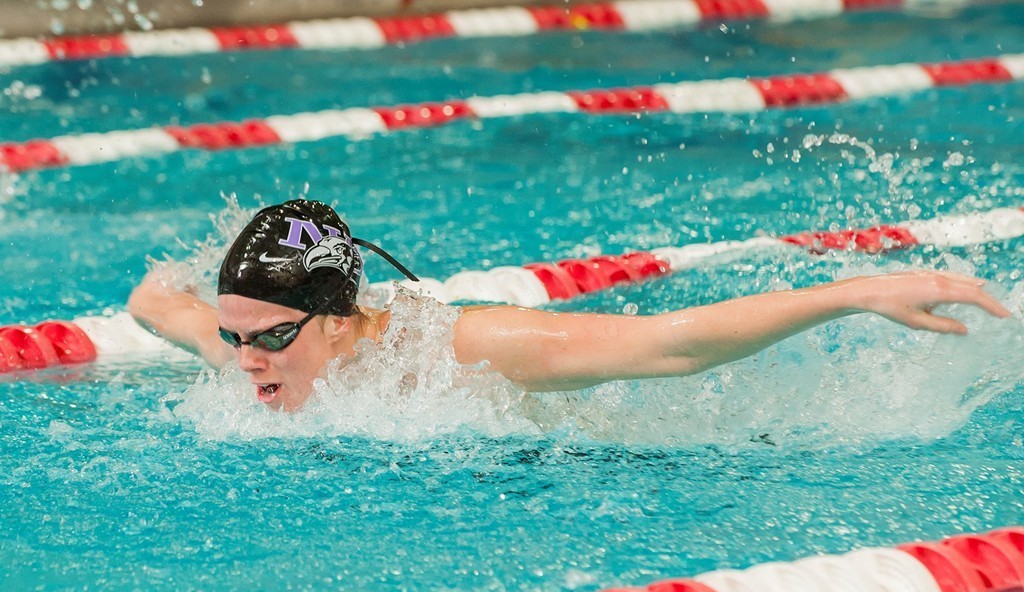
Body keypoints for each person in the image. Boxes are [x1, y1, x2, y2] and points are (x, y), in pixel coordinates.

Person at [128, 199, 1013, 412]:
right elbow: (152, 303)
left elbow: (668, 346)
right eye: (232, 334)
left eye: (270, 336)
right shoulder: (251, 351)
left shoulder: (462, 348)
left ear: (336, 318)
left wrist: (855, 292)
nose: (245, 359)